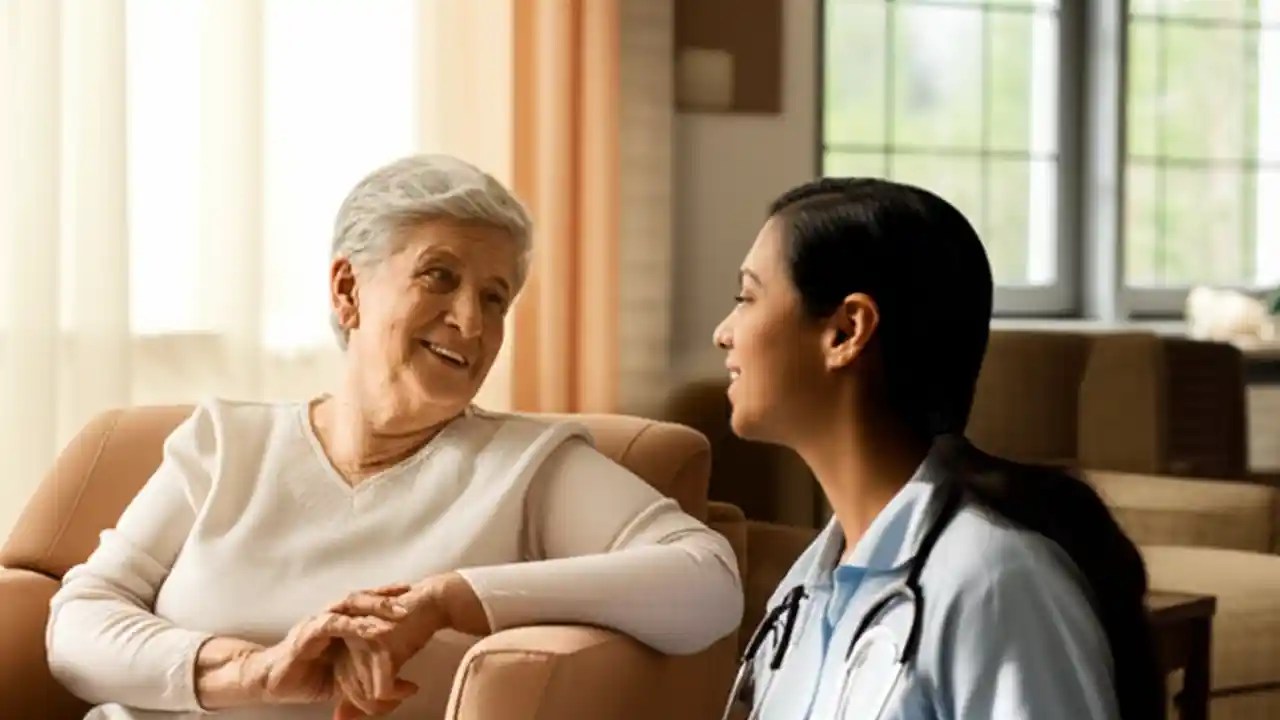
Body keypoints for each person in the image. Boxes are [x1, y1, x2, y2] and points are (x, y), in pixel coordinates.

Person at [46, 154, 744, 720]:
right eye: (439, 277)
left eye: (495, 298)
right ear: (348, 289)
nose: (470, 323)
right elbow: (76, 625)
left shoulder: (528, 468)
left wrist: (446, 599)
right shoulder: (226, 442)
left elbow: (707, 585)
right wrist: (256, 672)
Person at [713, 178, 1163, 720]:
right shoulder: (809, 587)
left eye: (747, 297)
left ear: (845, 331)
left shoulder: (996, 580)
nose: (724, 332)